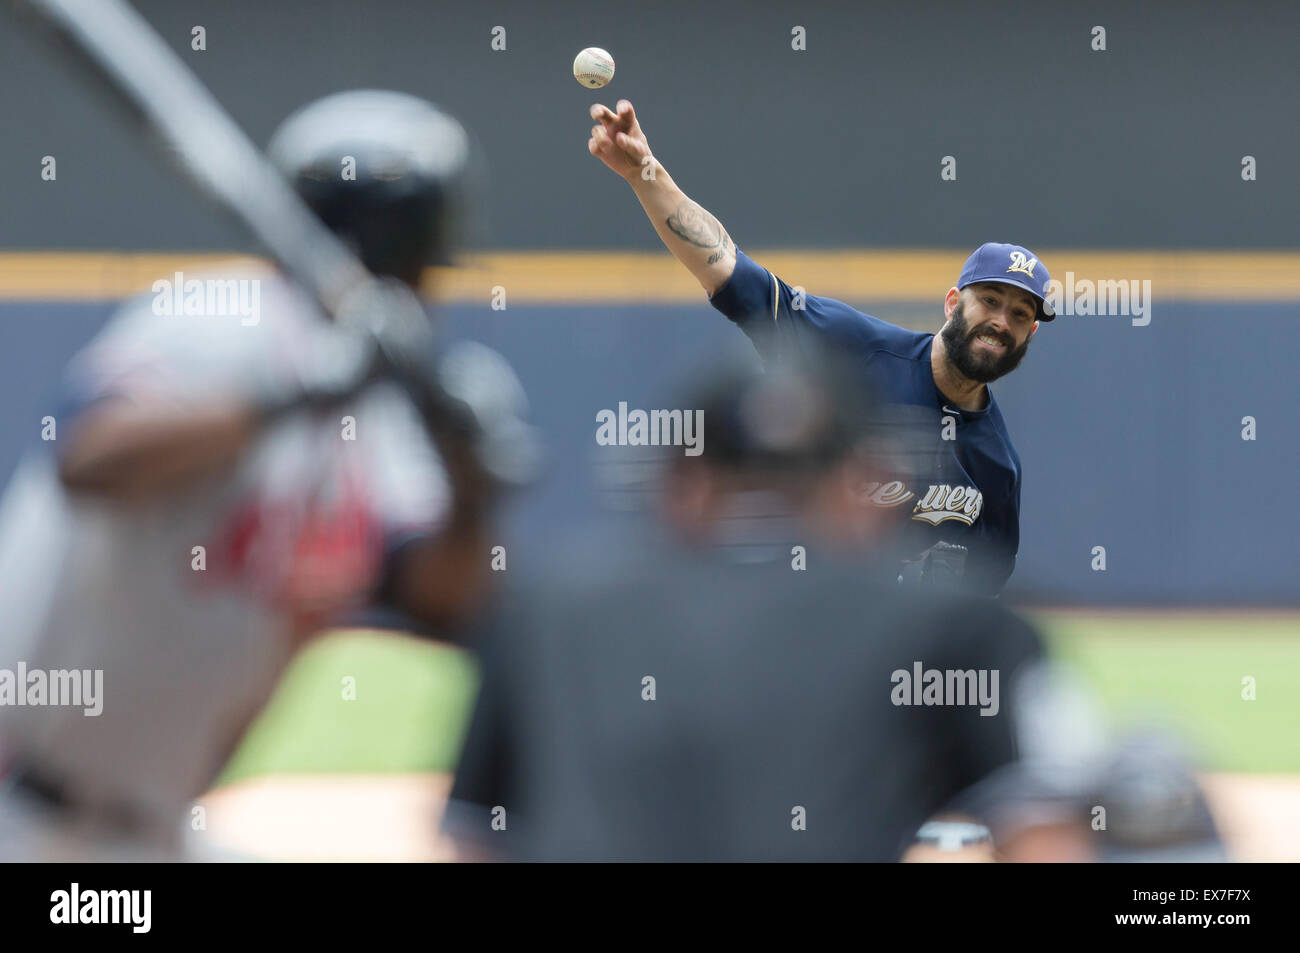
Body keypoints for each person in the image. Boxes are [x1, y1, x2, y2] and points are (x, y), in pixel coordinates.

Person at [0, 90, 529, 860]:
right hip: (24, 809)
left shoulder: (380, 415)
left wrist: (471, 487)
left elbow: (441, 602)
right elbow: (92, 459)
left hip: (154, 829)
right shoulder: (222, 318)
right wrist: (301, 390)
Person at [444, 352, 1099, 862]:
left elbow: (475, 841)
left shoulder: (543, 610)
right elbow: (1049, 836)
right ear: (864, 484)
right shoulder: (956, 622)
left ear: (680, 484)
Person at [584, 99, 1056, 594]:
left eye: (1019, 314)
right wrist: (645, 174)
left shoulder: (998, 464)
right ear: (953, 302)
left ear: (1031, 333)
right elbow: (728, 269)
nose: (1000, 321)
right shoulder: (854, 345)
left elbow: (984, 588)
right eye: (990, 300)